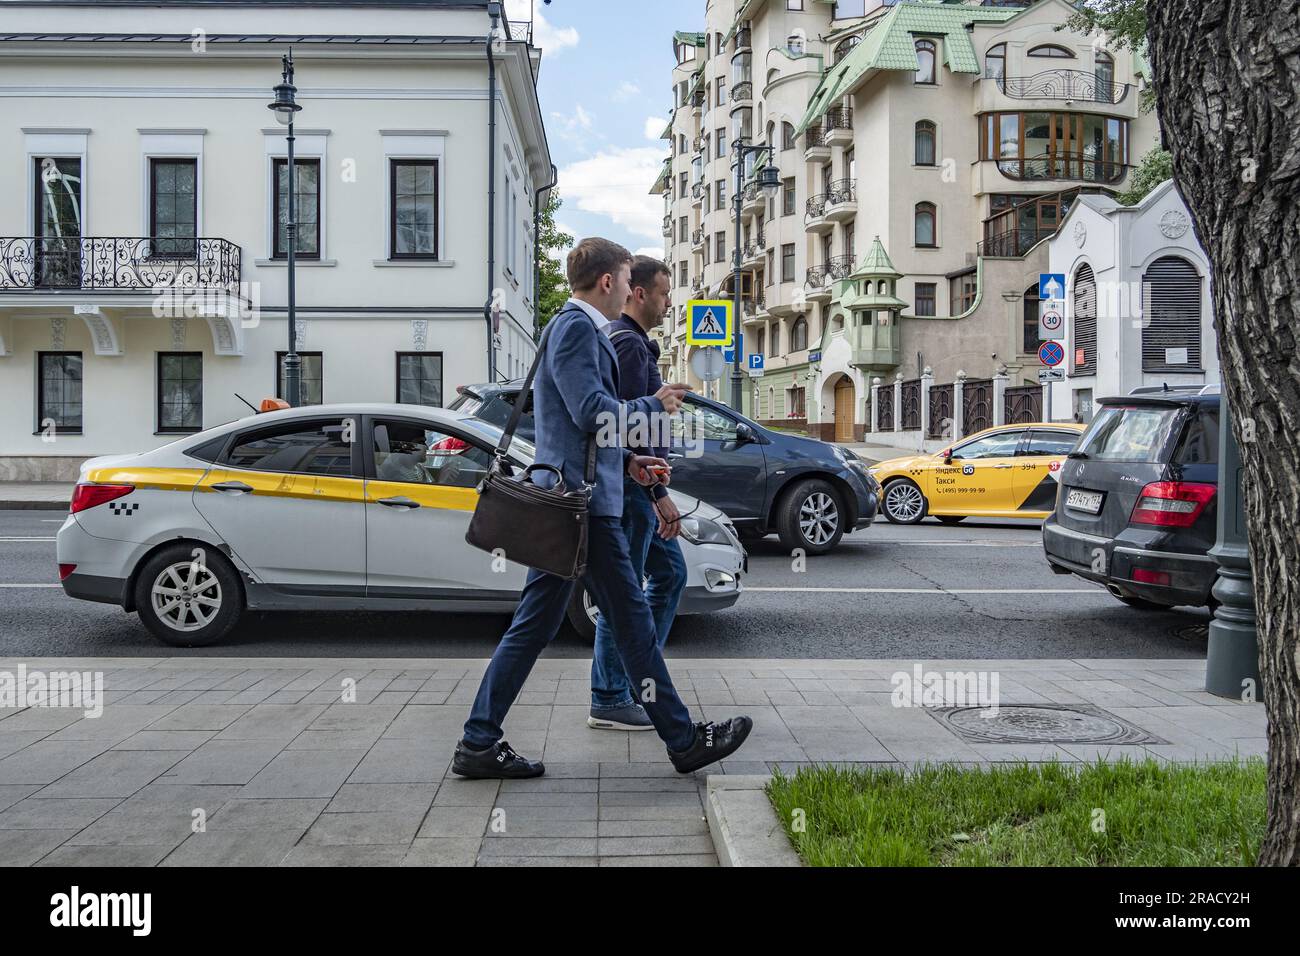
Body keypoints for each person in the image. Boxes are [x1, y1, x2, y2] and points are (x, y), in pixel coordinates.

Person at [453, 238, 752, 779]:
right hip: (581, 509)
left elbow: (586, 426)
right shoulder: (574, 328)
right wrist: (650, 406)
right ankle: (683, 740)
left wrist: (629, 464)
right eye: (624, 277)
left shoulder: (581, 329)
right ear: (609, 281)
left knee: (545, 626)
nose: (628, 290)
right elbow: (591, 411)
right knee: (629, 624)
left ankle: (479, 741)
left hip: (583, 501)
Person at [588, 256, 689, 731]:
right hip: (632, 491)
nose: (670, 302)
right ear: (641, 293)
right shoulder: (627, 346)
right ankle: (611, 695)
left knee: (666, 578)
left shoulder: (633, 345)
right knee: (624, 594)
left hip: (636, 488)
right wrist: (658, 494)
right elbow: (622, 426)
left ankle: (632, 683)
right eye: (665, 293)